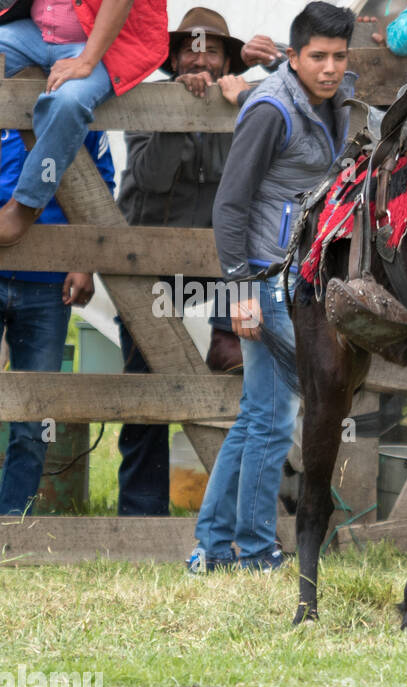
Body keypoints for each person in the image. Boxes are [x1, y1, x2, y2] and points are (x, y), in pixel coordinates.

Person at [189, 2, 357, 573]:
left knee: (258, 414)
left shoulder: (333, 101)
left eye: (339, 56)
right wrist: (239, 289)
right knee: (273, 415)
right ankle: (256, 552)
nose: (330, 68)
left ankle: (212, 549)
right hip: (264, 276)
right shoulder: (272, 109)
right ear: (294, 55)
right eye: (318, 57)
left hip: (299, 275)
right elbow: (230, 203)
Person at [114, 7, 278, 517]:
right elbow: (153, 178)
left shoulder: (250, 104)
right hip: (154, 262)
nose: (199, 58)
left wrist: (248, 92)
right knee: (147, 387)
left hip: (223, 265)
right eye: (190, 48)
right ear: (174, 58)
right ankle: (142, 514)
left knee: (242, 371)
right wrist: (178, 115)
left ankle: (238, 510)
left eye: (211, 48)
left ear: (229, 58)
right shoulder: (147, 100)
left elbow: (313, 90)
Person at [0, 129, 111, 516]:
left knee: (35, 414)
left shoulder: (81, 114)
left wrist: (85, 261)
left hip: (49, 284)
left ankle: (13, 521)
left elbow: (101, 191)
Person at [0, 0, 168, 247]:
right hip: (35, 33)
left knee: (68, 102)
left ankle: (28, 202)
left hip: (100, 46)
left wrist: (87, 60)